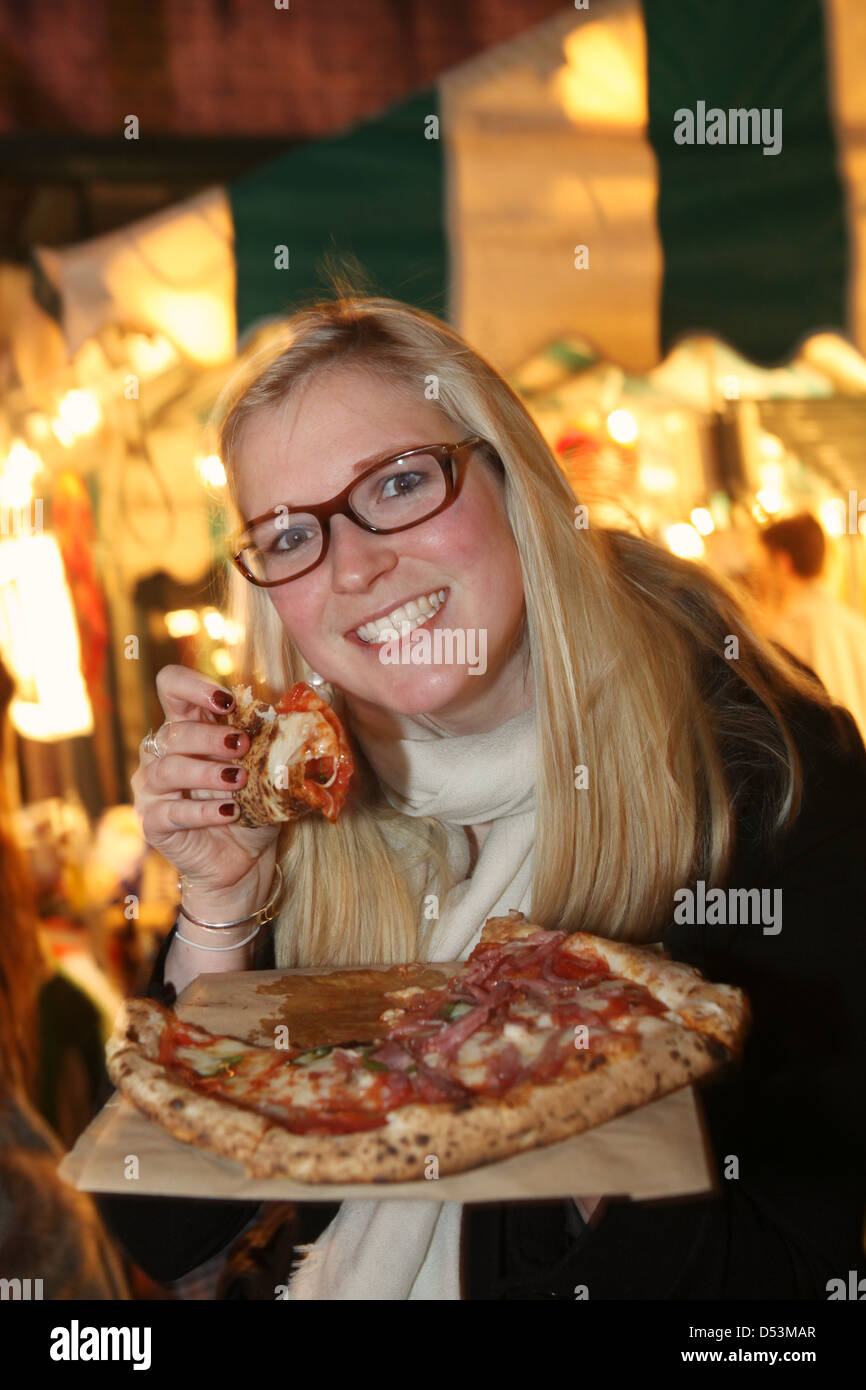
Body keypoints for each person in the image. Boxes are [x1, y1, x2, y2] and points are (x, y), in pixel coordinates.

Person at [98, 296, 866, 1300]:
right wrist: (219, 910)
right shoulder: (309, 811)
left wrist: (581, 1119)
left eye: (402, 482)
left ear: (514, 480)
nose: (357, 563)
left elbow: (797, 1288)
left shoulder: (764, 775)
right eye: (289, 537)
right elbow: (167, 1225)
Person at [758, 511, 866, 740]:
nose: (761, 575)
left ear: (782, 562)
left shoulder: (783, 635)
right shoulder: (856, 625)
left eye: (764, 564)